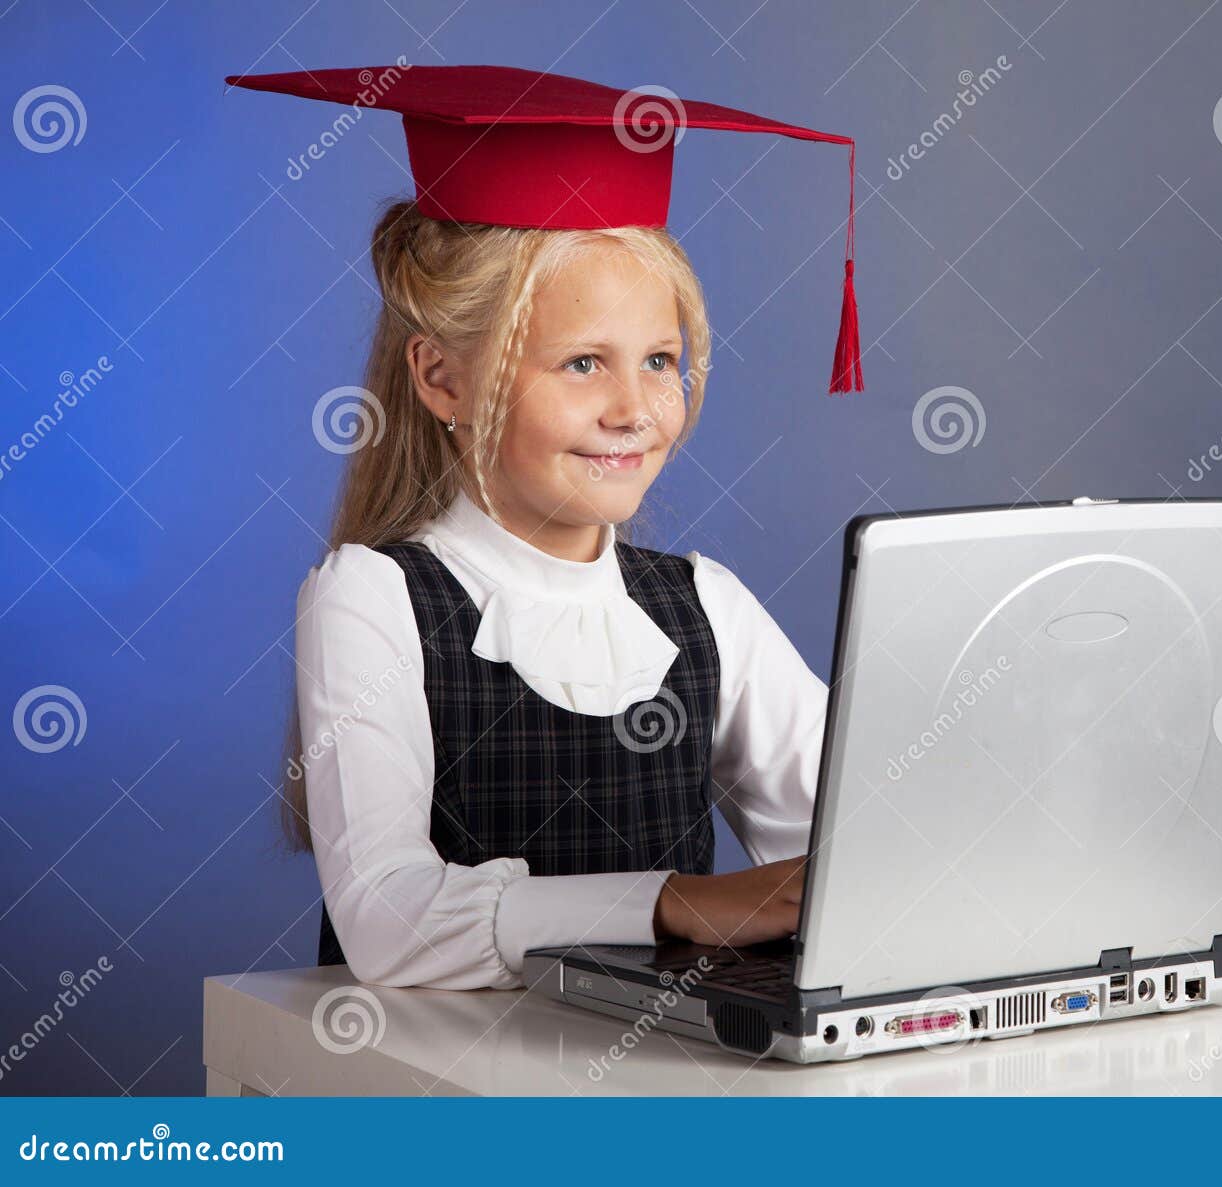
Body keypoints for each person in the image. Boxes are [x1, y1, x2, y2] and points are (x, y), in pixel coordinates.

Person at [226, 64, 865, 989]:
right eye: (580, 364)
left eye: (659, 360)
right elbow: (387, 917)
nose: (634, 409)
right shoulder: (374, 598)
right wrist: (669, 899)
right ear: (443, 378)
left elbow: (858, 834)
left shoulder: (703, 607)